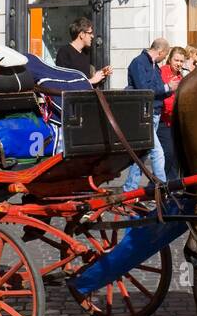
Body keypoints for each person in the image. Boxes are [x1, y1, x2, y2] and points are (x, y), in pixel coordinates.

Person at [123, 38, 174, 192]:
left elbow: (156, 89)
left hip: (154, 113)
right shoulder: (139, 62)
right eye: (164, 56)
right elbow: (144, 90)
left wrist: (170, 89)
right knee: (158, 153)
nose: (164, 59)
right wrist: (167, 87)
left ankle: (129, 189)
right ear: (161, 52)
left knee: (142, 154)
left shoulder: (154, 66)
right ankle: (162, 189)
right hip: (144, 113)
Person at [158, 46, 188, 180]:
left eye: (181, 61)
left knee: (176, 155)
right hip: (163, 120)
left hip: (175, 120)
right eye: (176, 60)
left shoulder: (180, 76)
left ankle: (172, 185)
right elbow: (165, 97)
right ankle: (158, 183)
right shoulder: (162, 72)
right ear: (169, 59)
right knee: (168, 153)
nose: (179, 64)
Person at [54, 17, 112, 86]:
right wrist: (91, 80)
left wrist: (101, 74)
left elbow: (90, 83)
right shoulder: (64, 52)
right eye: (90, 33)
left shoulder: (86, 52)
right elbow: (63, 83)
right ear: (81, 34)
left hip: (86, 95)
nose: (92, 36)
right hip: (72, 96)